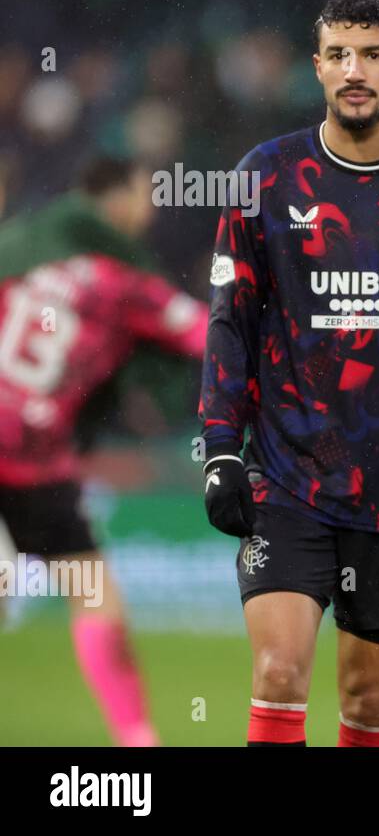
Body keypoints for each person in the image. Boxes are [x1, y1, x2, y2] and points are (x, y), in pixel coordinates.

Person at [198, 0, 379, 746]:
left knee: (366, 701)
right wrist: (221, 449)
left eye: (370, 54)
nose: (352, 71)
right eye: (336, 55)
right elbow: (231, 324)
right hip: (287, 473)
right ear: (317, 66)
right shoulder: (264, 177)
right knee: (278, 675)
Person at [0, 155, 209, 746]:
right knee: (92, 596)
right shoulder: (125, 284)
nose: (152, 208)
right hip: (33, 461)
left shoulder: (27, 261)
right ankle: (136, 738)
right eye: (146, 195)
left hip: (28, 453)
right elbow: (206, 334)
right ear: (117, 201)